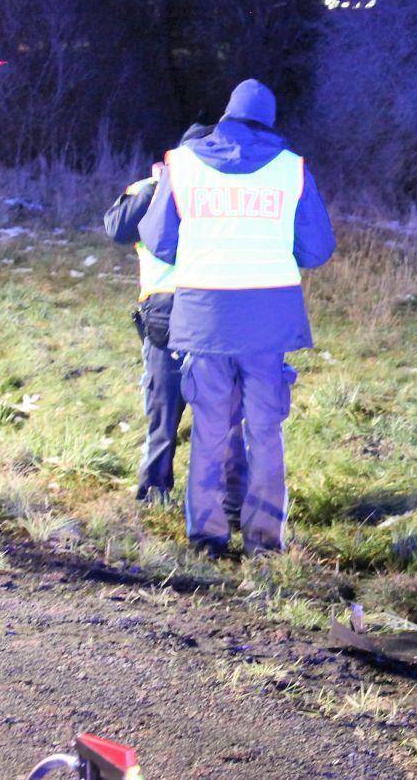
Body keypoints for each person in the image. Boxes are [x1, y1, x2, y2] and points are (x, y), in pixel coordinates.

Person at [138, 78, 335, 558]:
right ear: (269, 122)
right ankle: (264, 542)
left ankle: (207, 538)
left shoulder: (182, 163)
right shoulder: (290, 168)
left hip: (205, 318)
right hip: (267, 324)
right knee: (265, 432)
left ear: (226, 115)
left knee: (209, 430)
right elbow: (316, 250)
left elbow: (159, 241)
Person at [100, 124, 244, 518]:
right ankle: (163, 494)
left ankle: (213, 500)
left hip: (206, 312)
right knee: (176, 410)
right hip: (175, 313)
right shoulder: (157, 188)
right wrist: (160, 186)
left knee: (212, 414)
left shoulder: (224, 193)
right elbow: (117, 227)